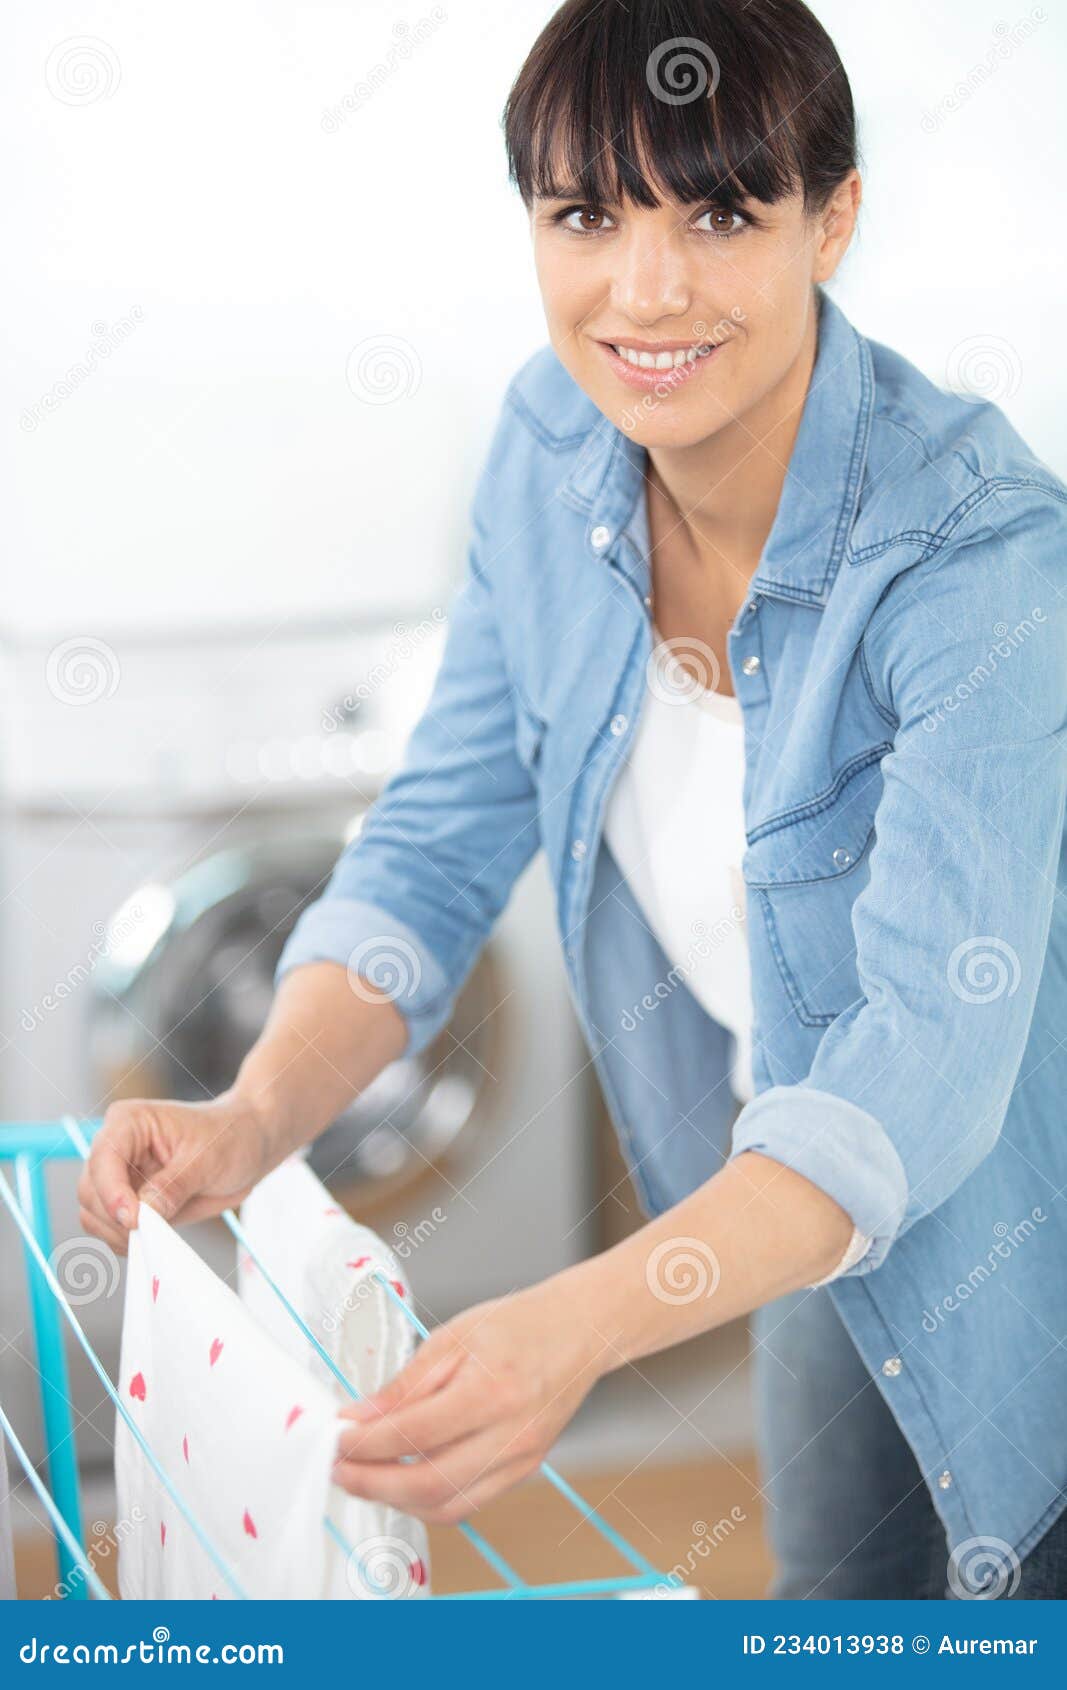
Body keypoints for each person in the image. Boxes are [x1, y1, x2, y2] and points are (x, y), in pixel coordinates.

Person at [80, 0, 1067, 1599]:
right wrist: (254, 1117)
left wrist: (577, 1323)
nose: (646, 290)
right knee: (840, 1624)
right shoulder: (553, 448)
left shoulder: (979, 555)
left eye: (724, 211)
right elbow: (440, 833)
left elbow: (918, 1074)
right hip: (800, 1216)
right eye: (588, 214)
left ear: (836, 220)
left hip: (1025, 1230)